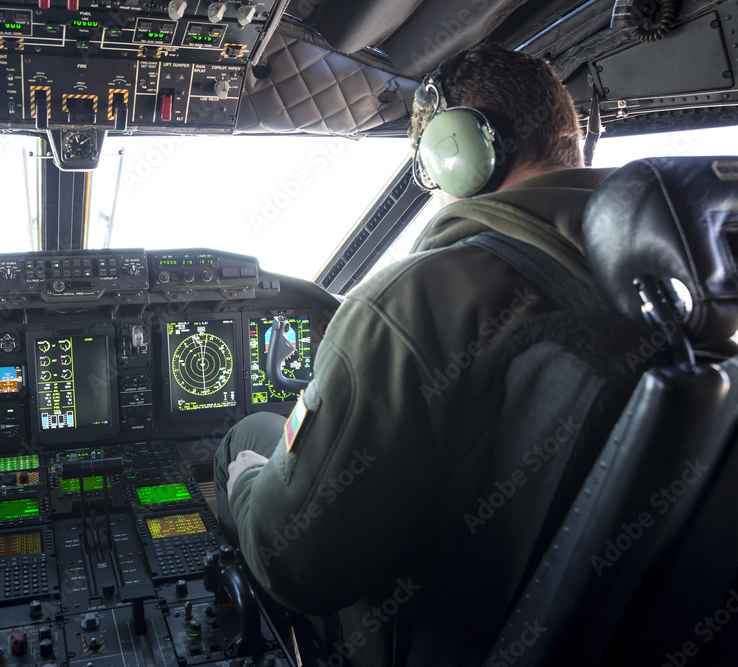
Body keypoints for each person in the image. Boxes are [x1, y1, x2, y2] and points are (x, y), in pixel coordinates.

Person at [214, 44, 618, 665]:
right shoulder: (663, 276)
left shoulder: (412, 301)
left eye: (427, 174)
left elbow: (291, 562)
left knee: (249, 435)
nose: (432, 193)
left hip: (435, 634)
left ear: (456, 152)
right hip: (602, 625)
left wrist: (243, 486)